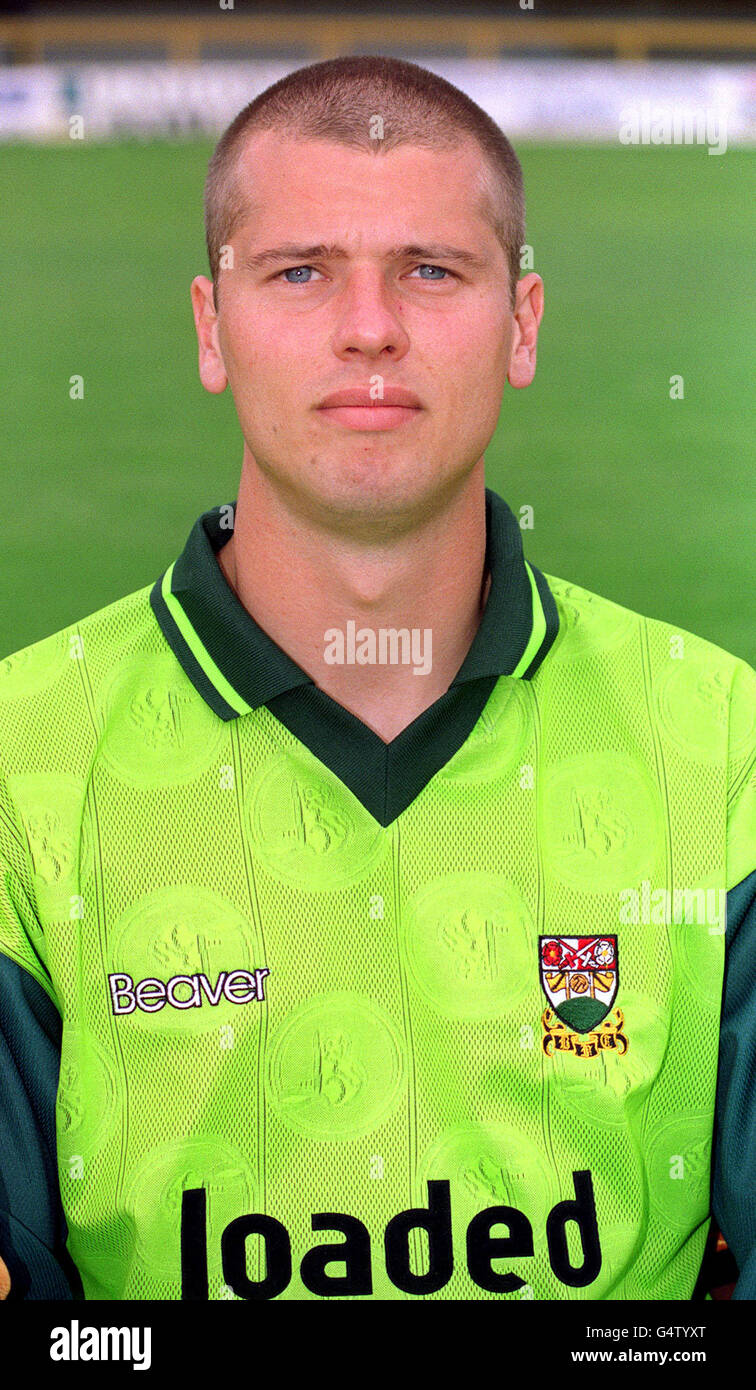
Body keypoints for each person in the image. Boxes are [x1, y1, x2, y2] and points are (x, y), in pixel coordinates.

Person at [0, 54, 754, 1302]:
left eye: (431, 270)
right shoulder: (22, 760)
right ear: (210, 326)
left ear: (523, 327)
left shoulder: (719, 739)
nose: (369, 328)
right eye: (301, 271)